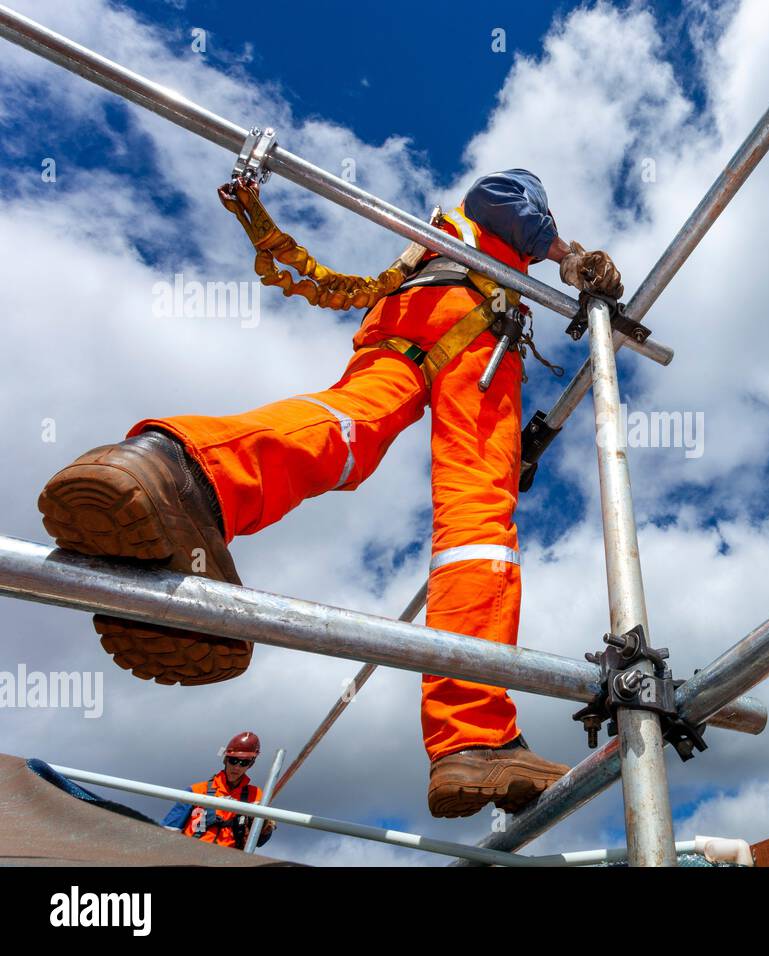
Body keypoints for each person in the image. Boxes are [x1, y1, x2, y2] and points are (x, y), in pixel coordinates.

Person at [38, 169, 623, 818]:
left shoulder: (442, 238)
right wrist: (570, 256)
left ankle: (187, 472)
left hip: (411, 318)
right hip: (473, 323)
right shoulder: (505, 204)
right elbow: (503, 200)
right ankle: (474, 734)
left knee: (351, 431)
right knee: (477, 516)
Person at [161, 731, 276, 850]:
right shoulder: (196, 791)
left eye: (244, 762)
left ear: (250, 764)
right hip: (191, 854)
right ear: (225, 759)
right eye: (233, 760)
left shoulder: (257, 796)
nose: (237, 767)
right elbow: (169, 831)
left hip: (230, 859)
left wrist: (265, 828)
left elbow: (260, 842)